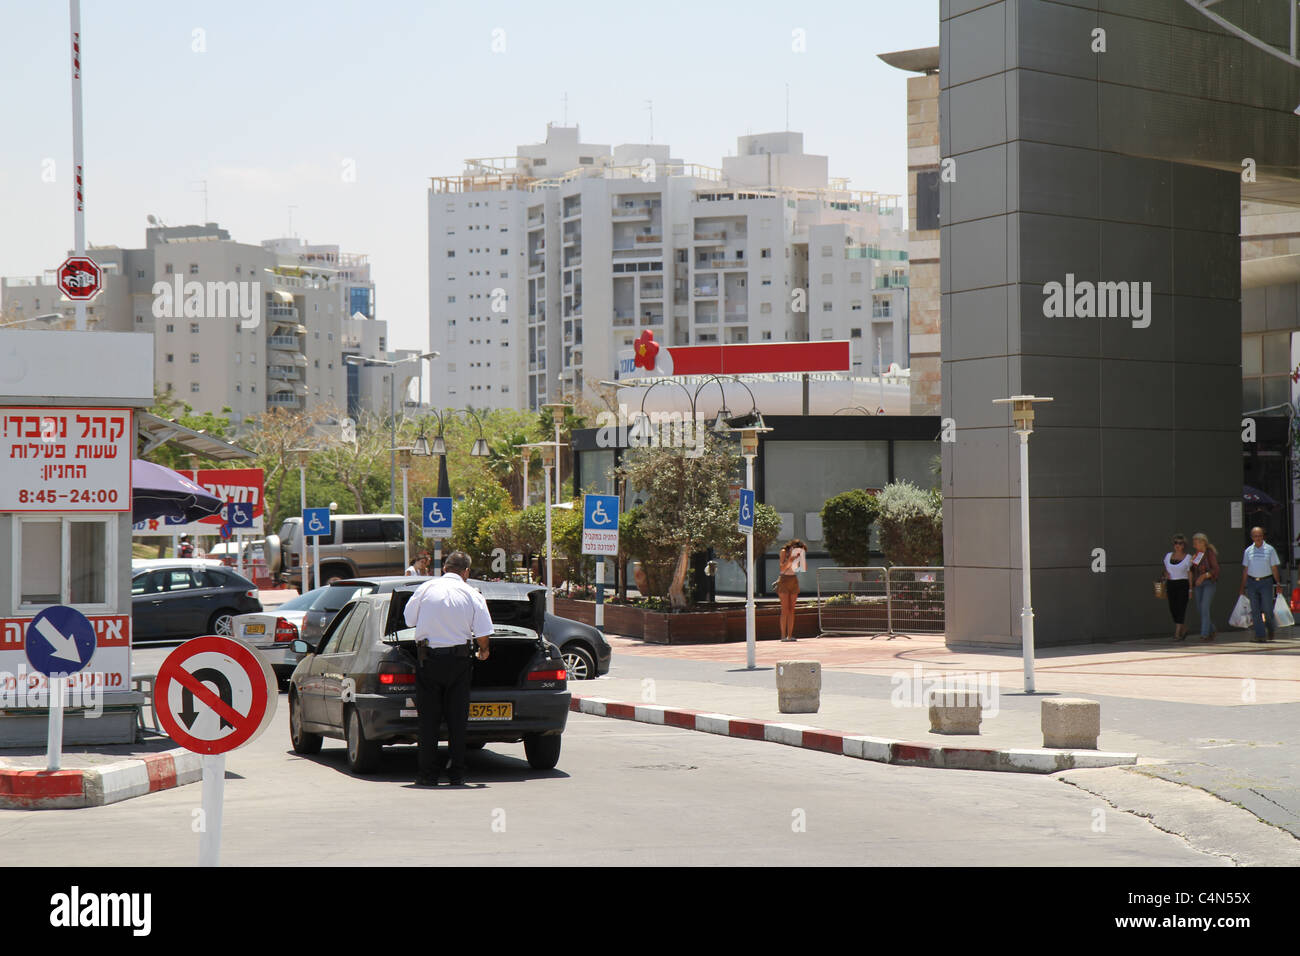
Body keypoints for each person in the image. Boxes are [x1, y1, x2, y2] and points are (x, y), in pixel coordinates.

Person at [403, 550, 492, 786]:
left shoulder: (426, 588)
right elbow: (483, 633)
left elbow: (408, 620)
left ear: (444, 568)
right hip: (459, 662)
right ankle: (457, 774)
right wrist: (484, 651)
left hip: (428, 661)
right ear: (466, 572)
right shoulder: (473, 594)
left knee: (428, 721)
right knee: (457, 721)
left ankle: (427, 775)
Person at [1238, 526, 1283, 643]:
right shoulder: (1248, 551)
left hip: (1266, 582)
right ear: (1252, 537)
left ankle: (1270, 628)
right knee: (1255, 609)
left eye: (1260, 536)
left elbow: (1274, 568)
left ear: (1263, 536)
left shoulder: (1270, 549)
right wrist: (1242, 587)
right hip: (1252, 582)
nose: (1258, 538)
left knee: (1267, 609)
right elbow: (1245, 570)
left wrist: (1278, 583)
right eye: (1255, 536)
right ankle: (1260, 635)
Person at [1188, 532, 1219, 642]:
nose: (1194, 545)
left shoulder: (1210, 553)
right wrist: (1191, 564)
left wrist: (1204, 576)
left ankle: (1204, 634)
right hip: (1198, 585)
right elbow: (1192, 571)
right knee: (1200, 608)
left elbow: (1215, 569)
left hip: (1209, 583)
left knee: (1205, 606)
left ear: (1203, 543)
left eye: (1196, 543)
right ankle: (1212, 629)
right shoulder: (1197, 555)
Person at [1161, 535, 1192, 640]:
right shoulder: (1168, 556)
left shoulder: (1188, 558)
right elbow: (1165, 570)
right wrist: (1165, 575)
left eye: (1180, 543)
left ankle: (1177, 632)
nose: (1177, 545)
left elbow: (1189, 573)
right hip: (1171, 584)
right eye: (1176, 543)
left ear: (1184, 545)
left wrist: (1190, 588)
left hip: (1183, 584)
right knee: (1173, 608)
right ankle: (1183, 627)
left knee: (1181, 608)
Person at [776, 539, 807, 642]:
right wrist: (790, 559)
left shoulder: (799, 554)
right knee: (785, 609)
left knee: (792, 609)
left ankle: (790, 635)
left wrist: (801, 558)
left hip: (793, 580)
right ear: (793, 547)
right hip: (784, 579)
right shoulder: (784, 551)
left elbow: (802, 569)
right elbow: (782, 568)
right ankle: (783, 635)